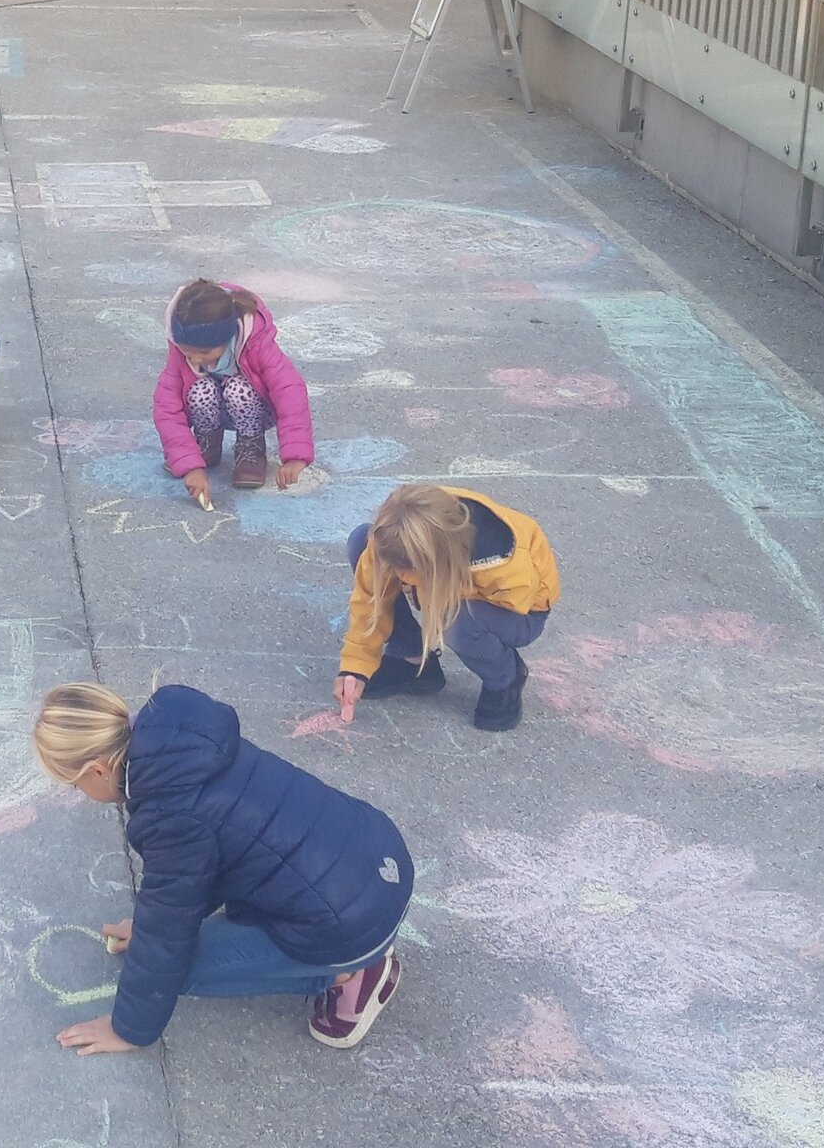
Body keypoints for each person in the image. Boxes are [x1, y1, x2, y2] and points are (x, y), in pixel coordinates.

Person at [34, 682, 412, 1055]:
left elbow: (166, 939)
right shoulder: (177, 735)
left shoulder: (171, 816)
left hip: (352, 920)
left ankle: (350, 974)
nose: (80, 793)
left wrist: (128, 1029)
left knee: (178, 971)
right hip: (378, 855)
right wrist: (147, 924)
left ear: (98, 770)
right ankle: (350, 953)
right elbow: (207, 865)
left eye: (75, 785)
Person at [336, 484, 558, 732]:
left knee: (454, 620)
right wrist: (356, 666)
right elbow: (370, 599)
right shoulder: (397, 532)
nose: (399, 575)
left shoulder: (502, 561)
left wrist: (430, 592)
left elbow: (517, 607)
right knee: (361, 541)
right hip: (443, 577)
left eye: (407, 570)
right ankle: (411, 659)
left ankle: (505, 677)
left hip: (521, 612)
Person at [154, 278, 314, 501]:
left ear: (226, 339)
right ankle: (207, 444)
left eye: (204, 352)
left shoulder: (257, 344)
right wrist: (189, 465)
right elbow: (166, 408)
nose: (195, 358)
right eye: (187, 351)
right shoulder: (183, 351)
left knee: (238, 388)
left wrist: (295, 456)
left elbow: (290, 393)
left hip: (254, 408)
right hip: (213, 408)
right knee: (200, 390)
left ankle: (251, 446)